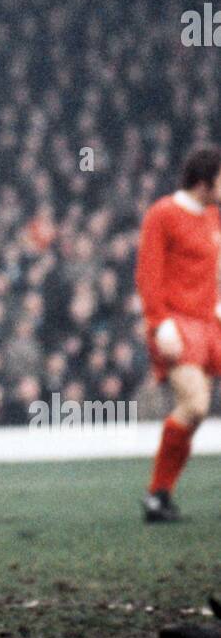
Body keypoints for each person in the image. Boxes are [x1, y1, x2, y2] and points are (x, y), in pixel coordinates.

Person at [135, 146, 221, 522]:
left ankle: (160, 497)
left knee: (196, 413)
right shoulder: (163, 214)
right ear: (204, 182)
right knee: (196, 405)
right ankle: (157, 495)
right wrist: (159, 323)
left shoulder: (213, 217)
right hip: (177, 325)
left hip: (210, 323)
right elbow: (148, 273)